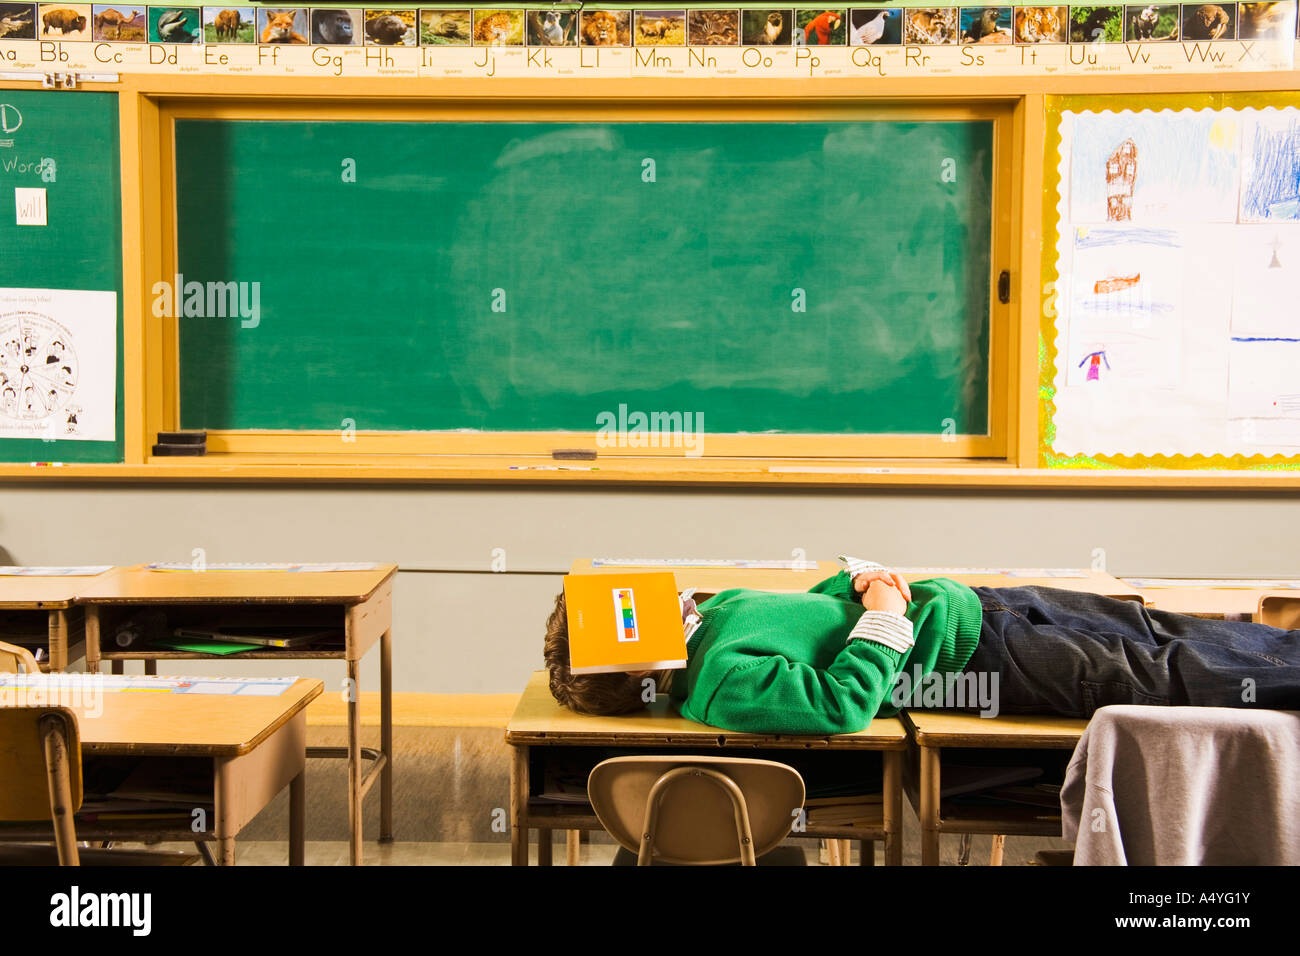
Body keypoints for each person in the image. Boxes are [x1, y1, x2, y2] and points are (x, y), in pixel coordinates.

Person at [543, 557, 1300, 734]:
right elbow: (840, 702)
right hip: (972, 665)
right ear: (638, 669)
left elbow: (813, 618)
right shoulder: (717, 687)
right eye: (629, 617)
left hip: (973, 604)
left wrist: (859, 581)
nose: (653, 598)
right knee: (1156, 672)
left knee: (1153, 625)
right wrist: (882, 614)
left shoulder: (720, 612)